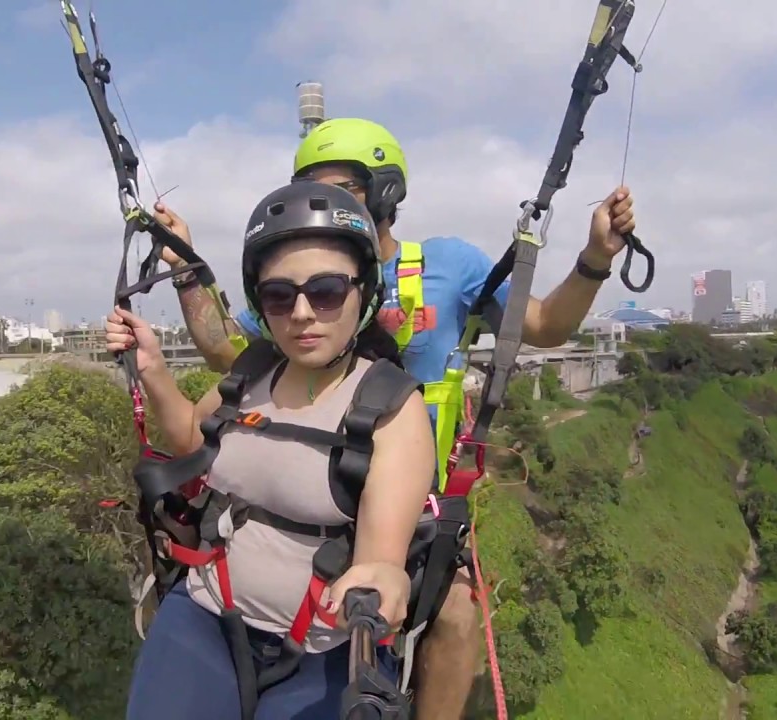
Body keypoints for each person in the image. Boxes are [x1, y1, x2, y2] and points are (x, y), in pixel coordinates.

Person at [111, 118, 638, 719]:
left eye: (341, 187)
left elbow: (543, 327)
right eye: (283, 297)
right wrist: (184, 265)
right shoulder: (295, 284)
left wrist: (596, 258)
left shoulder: (446, 266)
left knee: (457, 609)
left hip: (411, 477)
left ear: (384, 191)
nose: (303, 310)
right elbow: (226, 352)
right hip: (297, 475)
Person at [112, 180, 436, 719]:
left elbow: (381, 557)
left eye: (327, 290)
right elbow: (192, 441)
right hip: (207, 615)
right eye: (280, 296)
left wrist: (382, 577)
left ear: (364, 292)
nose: (303, 313)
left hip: (324, 648)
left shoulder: (390, 407)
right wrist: (154, 371)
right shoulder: (253, 370)